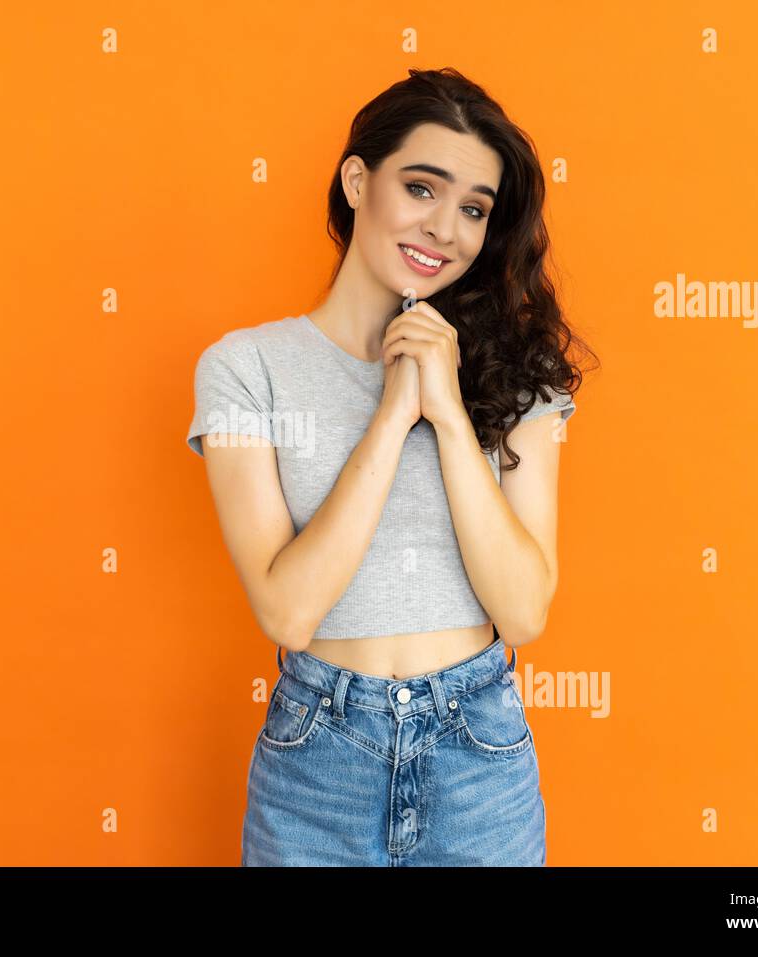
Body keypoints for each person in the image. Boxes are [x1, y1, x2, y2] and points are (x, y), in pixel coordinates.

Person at [185, 67, 598, 866]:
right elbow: (288, 611)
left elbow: (523, 612)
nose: (445, 228)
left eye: (474, 209)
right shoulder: (247, 368)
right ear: (356, 181)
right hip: (317, 762)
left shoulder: (517, 372)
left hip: (478, 757)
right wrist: (390, 416)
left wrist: (446, 413)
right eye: (421, 188)